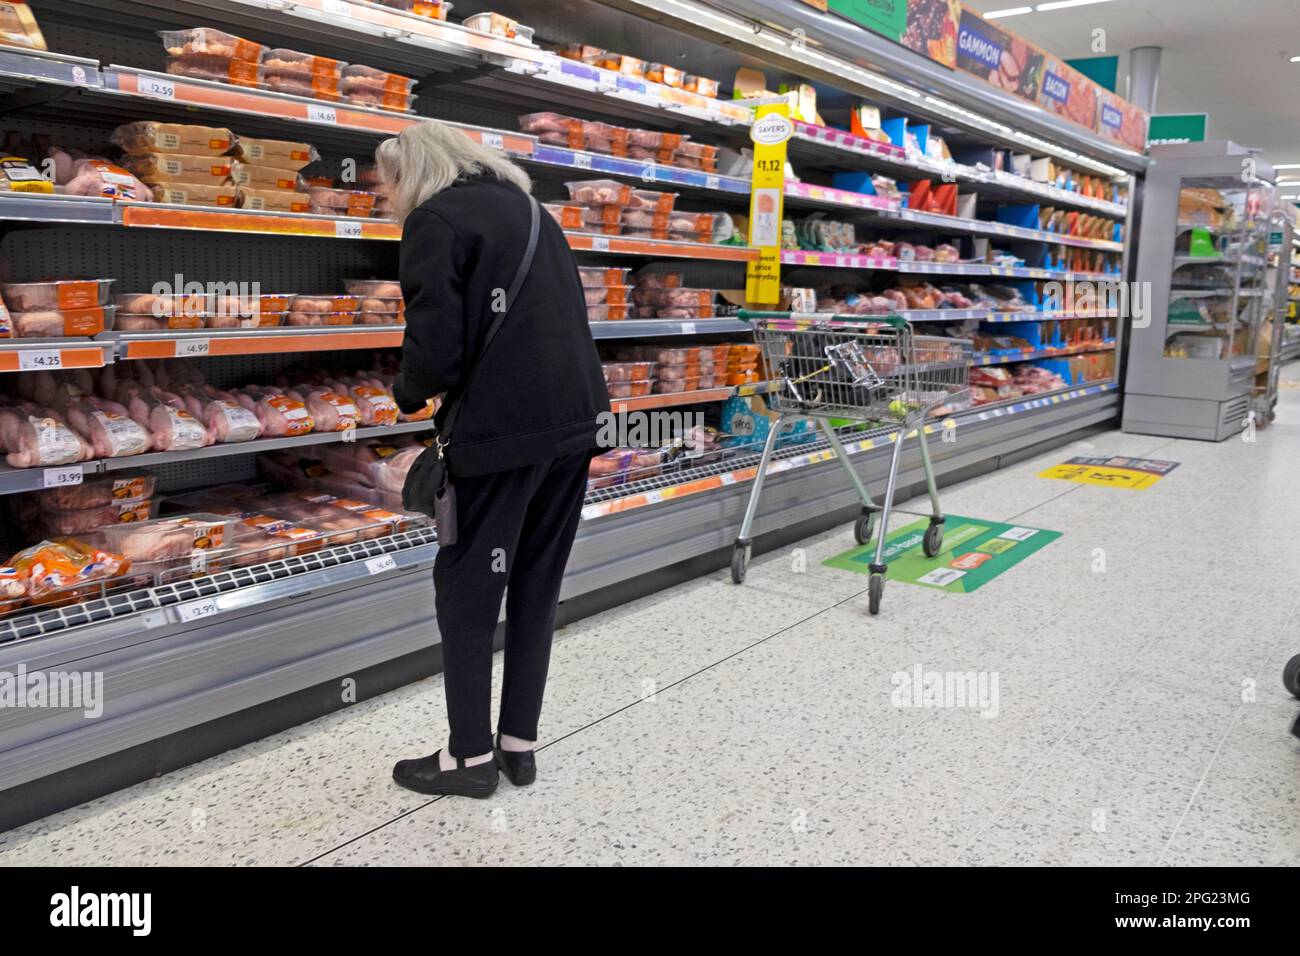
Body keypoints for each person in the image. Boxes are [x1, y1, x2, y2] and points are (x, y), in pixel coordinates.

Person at [376, 121, 608, 798]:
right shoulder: (534, 212)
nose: (389, 200)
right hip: (572, 425)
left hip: (500, 434)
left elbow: (435, 346)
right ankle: (520, 745)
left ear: (411, 174)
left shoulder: (435, 220)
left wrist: (407, 394)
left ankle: (468, 760)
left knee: (469, 593)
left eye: (388, 186)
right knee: (536, 585)